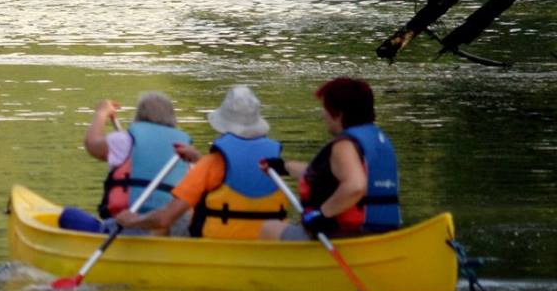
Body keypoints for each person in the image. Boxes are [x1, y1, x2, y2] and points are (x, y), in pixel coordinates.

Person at [114, 85, 285, 239]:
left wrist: (134, 220)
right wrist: (198, 160)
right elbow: (236, 178)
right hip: (265, 246)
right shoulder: (275, 163)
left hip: (218, 247)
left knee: (177, 214)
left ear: (222, 125)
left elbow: (165, 218)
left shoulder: (210, 165)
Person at [265, 76, 402, 240]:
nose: (323, 114)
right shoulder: (377, 138)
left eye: (325, 107)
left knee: (269, 228)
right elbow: (324, 177)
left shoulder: (344, 145)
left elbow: (356, 186)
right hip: (385, 233)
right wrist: (283, 167)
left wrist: (321, 215)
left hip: (345, 235)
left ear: (338, 113)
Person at [85, 93, 193, 217]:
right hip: (174, 225)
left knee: (68, 215)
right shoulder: (187, 149)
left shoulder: (125, 140)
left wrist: (101, 113)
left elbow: (91, 144)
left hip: (126, 224)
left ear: (138, 115)